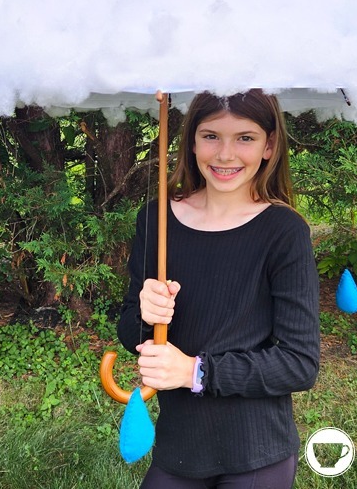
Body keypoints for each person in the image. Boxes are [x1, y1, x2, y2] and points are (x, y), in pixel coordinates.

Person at [117, 89, 321, 488]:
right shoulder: (157, 219)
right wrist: (144, 313)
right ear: (192, 141)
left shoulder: (284, 232)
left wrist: (196, 371)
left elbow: (300, 363)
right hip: (180, 446)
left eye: (245, 138)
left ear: (269, 145)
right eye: (211, 136)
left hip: (256, 451)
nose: (226, 154)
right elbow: (131, 334)